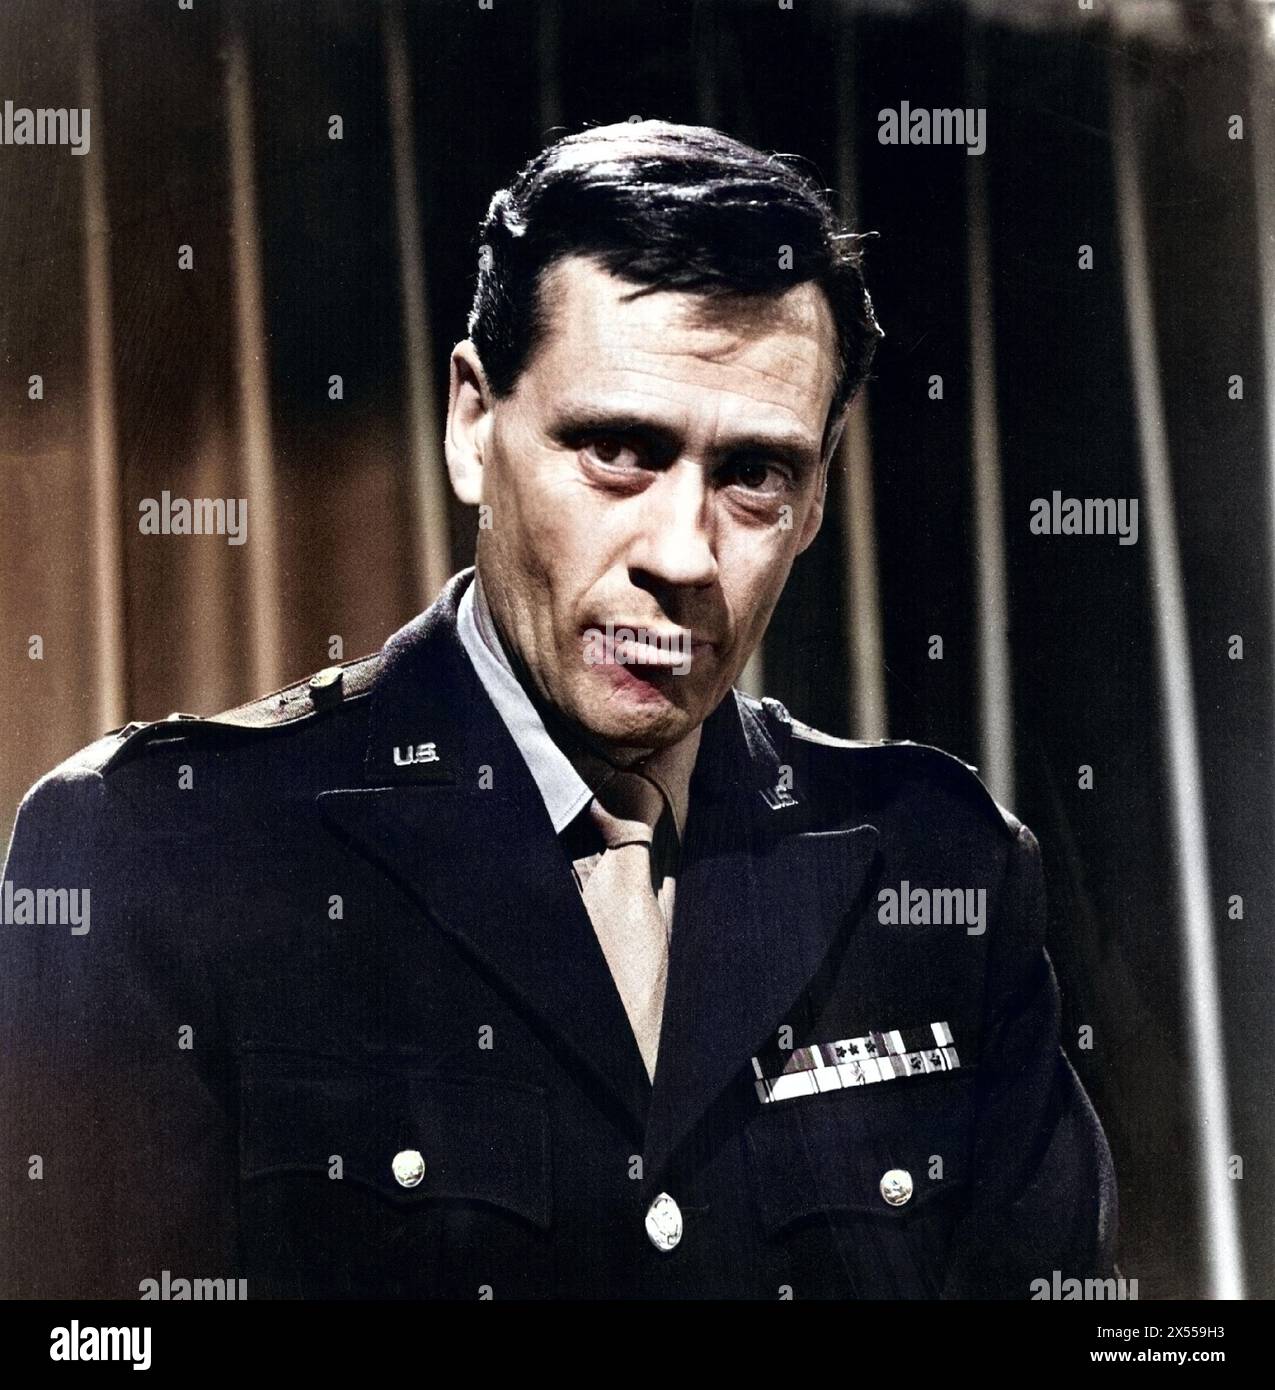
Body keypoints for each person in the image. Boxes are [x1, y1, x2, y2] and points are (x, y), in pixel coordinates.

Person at [0, 120, 1116, 1299]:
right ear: (472, 425)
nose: (684, 554)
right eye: (620, 449)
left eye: (754, 474)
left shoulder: (940, 867)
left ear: (820, 493)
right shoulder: (165, 853)